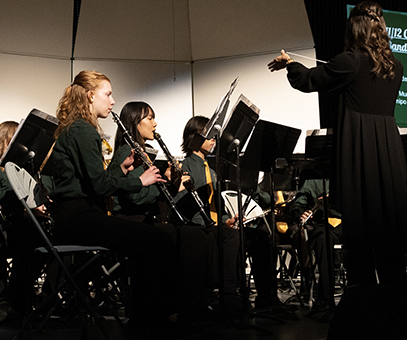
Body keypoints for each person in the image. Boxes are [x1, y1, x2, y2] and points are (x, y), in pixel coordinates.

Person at [269, 0, 407, 285]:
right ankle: (397, 308)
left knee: (359, 238)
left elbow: (309, 81)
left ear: (354, 28)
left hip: (361, 153)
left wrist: (290, 65)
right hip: (389, 155)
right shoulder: (396, 67)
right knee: (389, 239)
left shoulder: (350, 60)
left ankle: (364, 308)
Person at [48, 71, 181, 334]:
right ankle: (148, 321)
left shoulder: (75, 128)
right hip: (79, 219)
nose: (112, 101)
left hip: (73, 217)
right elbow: (99, 187)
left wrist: (119, 168)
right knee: (158, 240)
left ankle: (145, 317)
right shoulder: (84, 131)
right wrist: (139, 181)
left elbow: (94, 182)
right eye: (107, 94)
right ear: (89, 95)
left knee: (152, 239)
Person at [107, 102, 217, 319]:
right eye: (149, 118)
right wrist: (165, 186)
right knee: (190, 237)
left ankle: (196, 302)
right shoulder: (126, 153)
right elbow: (134, 197)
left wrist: (170, 184)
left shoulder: (143, 152)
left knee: (201, 236)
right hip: (129, 219)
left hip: (143, 218)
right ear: (134, 123)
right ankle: (183, 306)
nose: (155, 123)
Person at [176, 116, 279, 313]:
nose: (215, 141)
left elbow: (218, 209)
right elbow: (185, 206)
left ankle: (267, 297)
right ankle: (228, 295)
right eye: (210, 137)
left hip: (216, 226)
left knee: (260, 238)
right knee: (231, 238)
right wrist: (214, 225)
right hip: (199, 227)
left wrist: (227, 220)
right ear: (196, 138)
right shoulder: (187, 165)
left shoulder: (212, 171)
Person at [0, 121, 50, 316]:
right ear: (5, 141)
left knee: (47, 240)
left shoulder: (21, 169)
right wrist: (26, 212)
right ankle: (16, 296)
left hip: (22, 223)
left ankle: (23, 294)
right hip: (2, 226)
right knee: (34, 241)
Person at [287, 178, 342, 308]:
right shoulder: (313, 182)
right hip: (323, 224)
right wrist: (301, 213)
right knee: (322, 238)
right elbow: (297, 204)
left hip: (347, 221)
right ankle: (325, 298)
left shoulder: (348, 176)